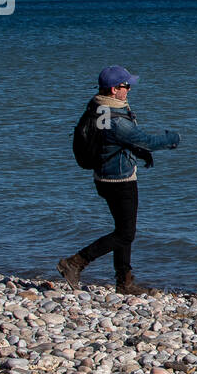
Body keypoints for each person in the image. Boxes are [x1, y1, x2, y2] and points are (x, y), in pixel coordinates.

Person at [57, 65, 180, 295]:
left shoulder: (97, 107)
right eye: (126, 86)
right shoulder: (116, 119)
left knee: (122, 231)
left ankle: (124, 282)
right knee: (125, 234)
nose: (129, 89)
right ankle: (75, 263)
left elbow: (112, 142)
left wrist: (139, 153)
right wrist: (171, 139)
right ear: (114, 89)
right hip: (119, 181)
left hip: (104, 177)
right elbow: (146, 140)